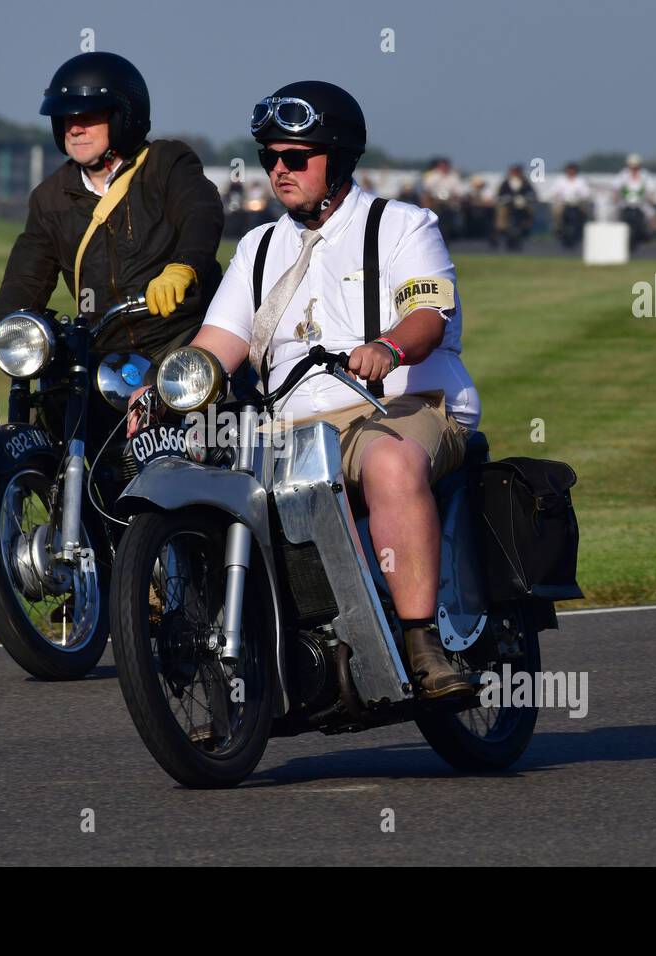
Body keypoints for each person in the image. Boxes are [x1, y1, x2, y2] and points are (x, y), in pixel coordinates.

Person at [131, 81, 481, 700]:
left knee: (392, 462)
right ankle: (221, 665)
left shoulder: (402, 225)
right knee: (194, 478)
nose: (278, 170)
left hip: (400, 405)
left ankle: (423, 644)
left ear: (339, 158)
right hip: (287, 427)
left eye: (296, 157)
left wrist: (389, 348)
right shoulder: (259, 246)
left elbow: (429, 317)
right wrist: (164, 387)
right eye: (270, 157)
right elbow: (219, 342)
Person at [0, 51, 224, 458]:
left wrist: (182, 267)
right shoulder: (50, 197)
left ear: (124, 117)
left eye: (88, 116)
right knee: (61, 417)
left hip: (179, 342)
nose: (74, 128)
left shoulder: (167, 164)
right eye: (66, 118)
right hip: (103, 353)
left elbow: (200, 212)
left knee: (209, 450)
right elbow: (30, 270)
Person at [613, 152, 656, 235]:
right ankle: (615, 230)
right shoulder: (623, 174)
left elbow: (651, 188)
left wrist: (652, 197)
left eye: (636, 166)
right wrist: (615, 197)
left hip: (641, 202)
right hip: (626, 202)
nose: (634, 169)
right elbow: (616, 187)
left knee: (651, 213)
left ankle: (652, 231)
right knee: (614, 211)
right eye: (632, 166)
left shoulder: (645, 175)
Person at [493, 164, 537, 247]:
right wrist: (507, 199)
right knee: (502, 211)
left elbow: (533, 193)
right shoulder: (506, 183)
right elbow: (500, 194)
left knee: (531, 210)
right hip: (508, 204)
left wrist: (527, 198)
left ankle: (527, 224)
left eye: (517, 172)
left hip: (522, 204)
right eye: (514, 172)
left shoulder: (525, 182)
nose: (516, 173)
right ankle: (501, 226)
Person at [548, 162, 592, 235]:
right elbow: (554, 191)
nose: (571, 172)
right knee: (557, 212)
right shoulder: (560, 181)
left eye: (573, 170)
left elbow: (586, 192)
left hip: (577, 202)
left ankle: (584, 226)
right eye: (569, 170)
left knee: (585, 210)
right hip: (563, 202)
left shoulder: (580, 181)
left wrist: (583, 197)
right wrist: (557, 196)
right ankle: (557, 227)